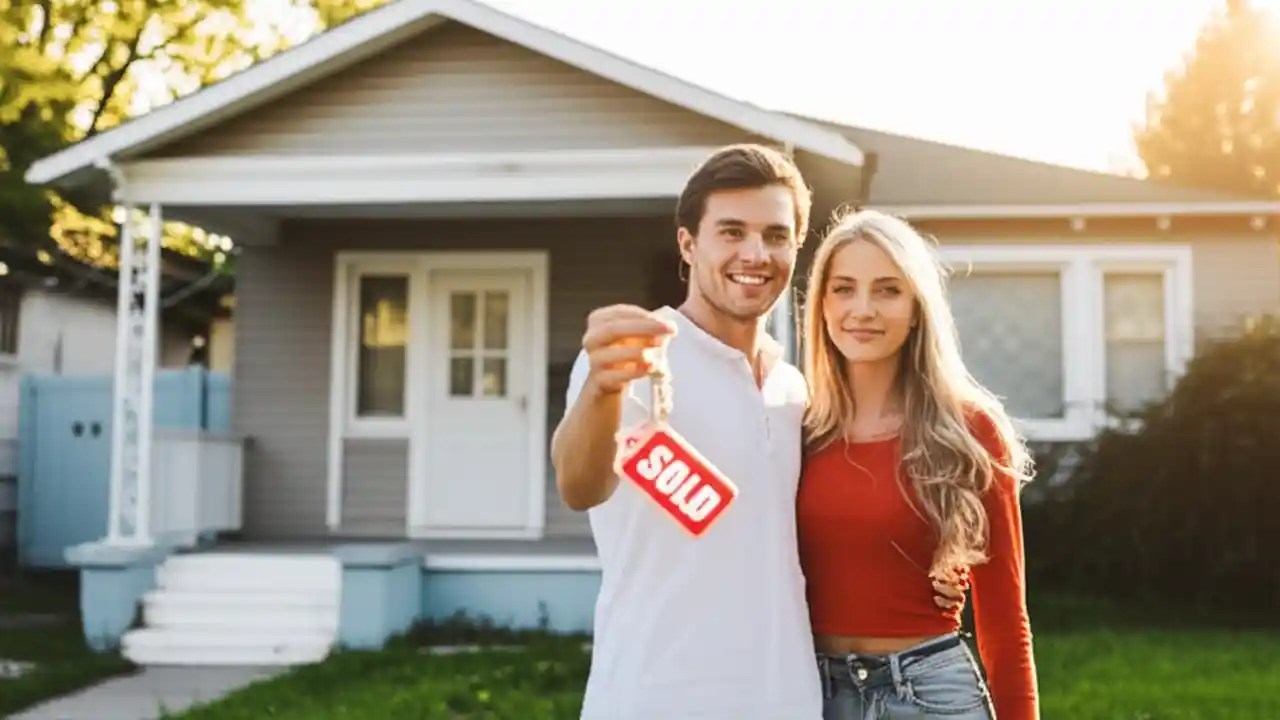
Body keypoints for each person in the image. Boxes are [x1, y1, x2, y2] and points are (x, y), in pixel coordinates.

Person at [551, 145, 963, 720]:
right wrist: (599, 390)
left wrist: (931, 573)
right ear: (688, 244)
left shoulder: (795, 390)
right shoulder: (636, 362)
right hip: (655, 699)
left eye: (775, 235)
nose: (755, 253)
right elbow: (580, 484)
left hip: (787, 701)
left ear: (797, 247)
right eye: (732, 231)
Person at [795, 209, 1040, 719]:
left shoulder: (970, 431)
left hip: (929, 695)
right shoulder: (791, 429)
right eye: (843, 288)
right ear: (820, 304)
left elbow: (1004, 619)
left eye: (887, 289)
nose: (862, 308)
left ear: (916, 309)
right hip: (809, 693)